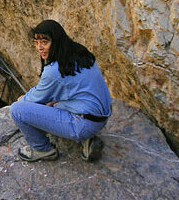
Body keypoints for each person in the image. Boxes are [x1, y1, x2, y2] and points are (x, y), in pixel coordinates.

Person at [10, 19, 112, 163]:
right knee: (53, 104)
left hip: (83, 124)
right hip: (100, 116)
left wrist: (22, 100)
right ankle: (87, 140)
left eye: (44, 42)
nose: (39, 48)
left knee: (17, 110)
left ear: (56, 42)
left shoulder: (54, 70)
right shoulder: (79, 53)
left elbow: (36, 98)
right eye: (36, 43)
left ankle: (43, 150)